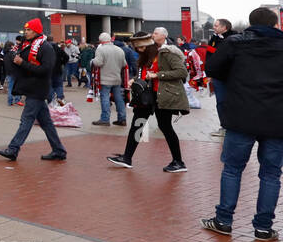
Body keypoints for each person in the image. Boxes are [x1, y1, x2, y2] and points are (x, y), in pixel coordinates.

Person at [200, 7, 283, 242]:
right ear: (276, 24)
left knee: (233, 169)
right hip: (277, 119)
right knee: (271, 174)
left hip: (241, 116)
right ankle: (264, 227)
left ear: (251, 23)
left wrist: (235, 79)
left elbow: (213, 69)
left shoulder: (235, 44)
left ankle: (223, 220)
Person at [107, 29, 188, 172]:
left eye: (142, 47)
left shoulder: (166, 53)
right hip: (147, 96)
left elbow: (182, 72)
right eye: (137, 48)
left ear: (149, 45)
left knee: (165, 127)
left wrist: (158, 75)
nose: (139, 50)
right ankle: (127, 157)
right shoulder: (145, 57)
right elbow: (144, 73)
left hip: (162, 96)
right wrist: (135, 80)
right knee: (137, 125)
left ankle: (178, 162)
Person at [0, 18, 67, 162]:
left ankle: (13, 149)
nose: (25, 32)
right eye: (25, 30)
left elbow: (45, 70)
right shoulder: (28, 45)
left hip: (38, 89)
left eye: (29, 30)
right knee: (46, 123)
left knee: (26, 119)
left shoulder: (45, 48)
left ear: (36, 31)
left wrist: (22, 63)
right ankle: (59, 150)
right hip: (32, 87)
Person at [91, 32, 128, 126]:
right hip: (117, 78)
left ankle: (105, 119)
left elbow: (98, 63)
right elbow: (124, 64)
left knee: (105, 98)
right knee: (119, 98)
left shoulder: (101, 49)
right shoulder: (119, 50)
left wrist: (92, 61)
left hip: (105, 79)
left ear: (101, 40)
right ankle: (122, 118)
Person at [207, 18, 232, 137]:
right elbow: (210, 57)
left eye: (216, 26)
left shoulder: (234, 39)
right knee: (220, 102)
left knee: (230, 102)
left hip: (231, 77)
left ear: (224, 27)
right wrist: (209, 73)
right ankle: (224, 126)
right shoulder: (213, 39)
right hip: (217, 77)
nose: (214, 27)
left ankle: (233, 126)